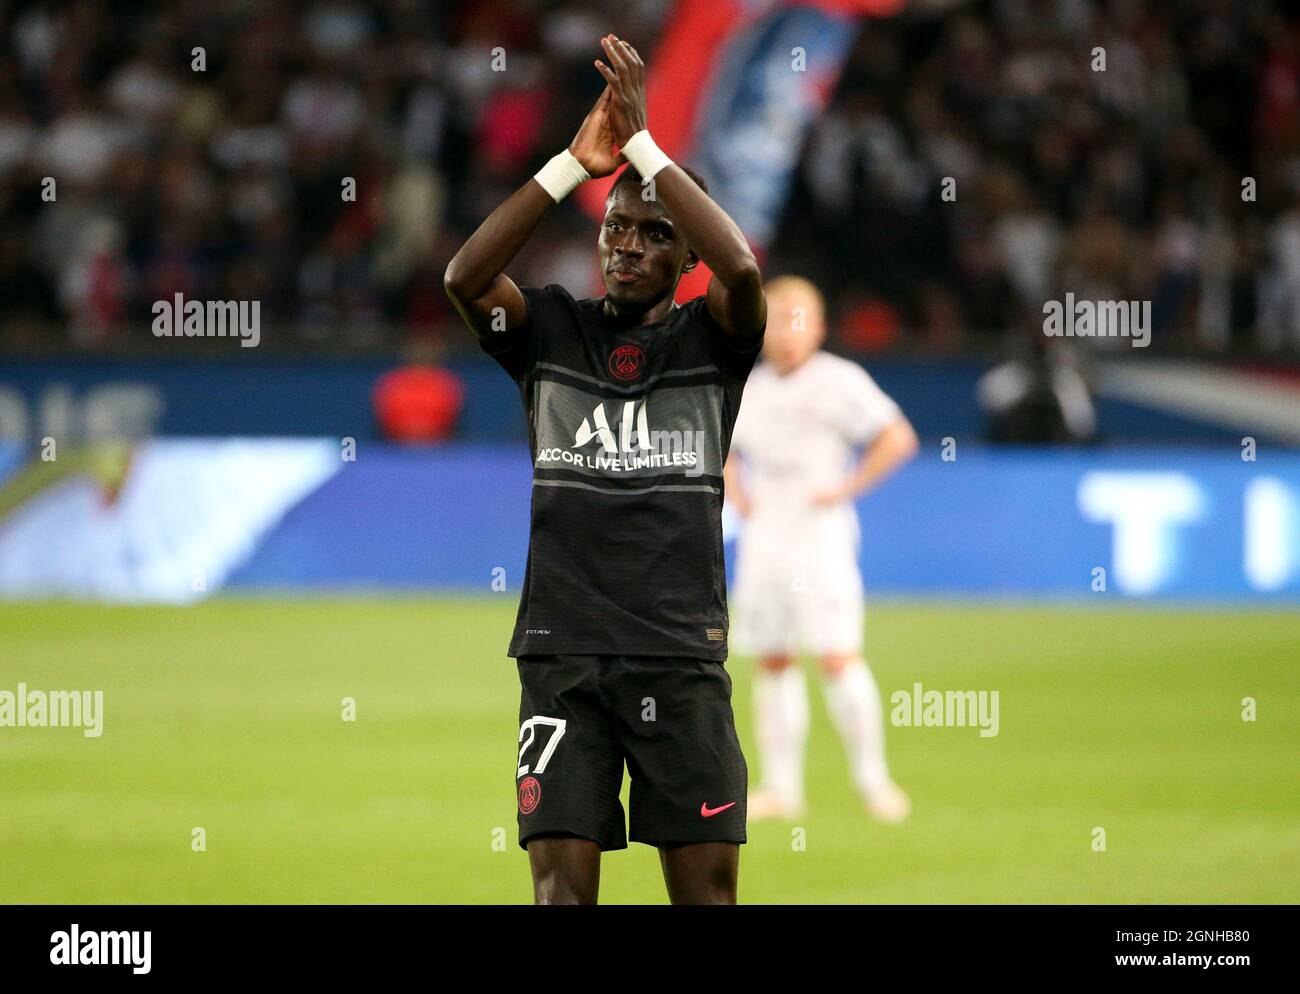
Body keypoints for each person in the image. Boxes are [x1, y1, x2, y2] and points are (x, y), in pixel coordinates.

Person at [444, 35, 766, 904]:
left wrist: (647, 151)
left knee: (708, 897)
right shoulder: (551, 332)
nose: (625, 244)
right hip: (562, 653)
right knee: (560, 898)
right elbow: (466, 278)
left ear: (683, 259)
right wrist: (570, 166)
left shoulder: (715, 341)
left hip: (679, 655)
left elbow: (740, 266)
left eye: (653, 233)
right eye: (616, 226)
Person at [723, 276, 917, 822]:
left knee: (836, 655)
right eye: (777, 319)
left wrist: (846, 487)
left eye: (798, 319)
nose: (787, 331)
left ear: (819, 326)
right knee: (773, 659)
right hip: (765, 539)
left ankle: (873, 781)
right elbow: (724, 448)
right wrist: (737, 491)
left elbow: (896, 438)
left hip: (819, 535)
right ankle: (782, 789)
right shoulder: (749, 387)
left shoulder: (840, 381)